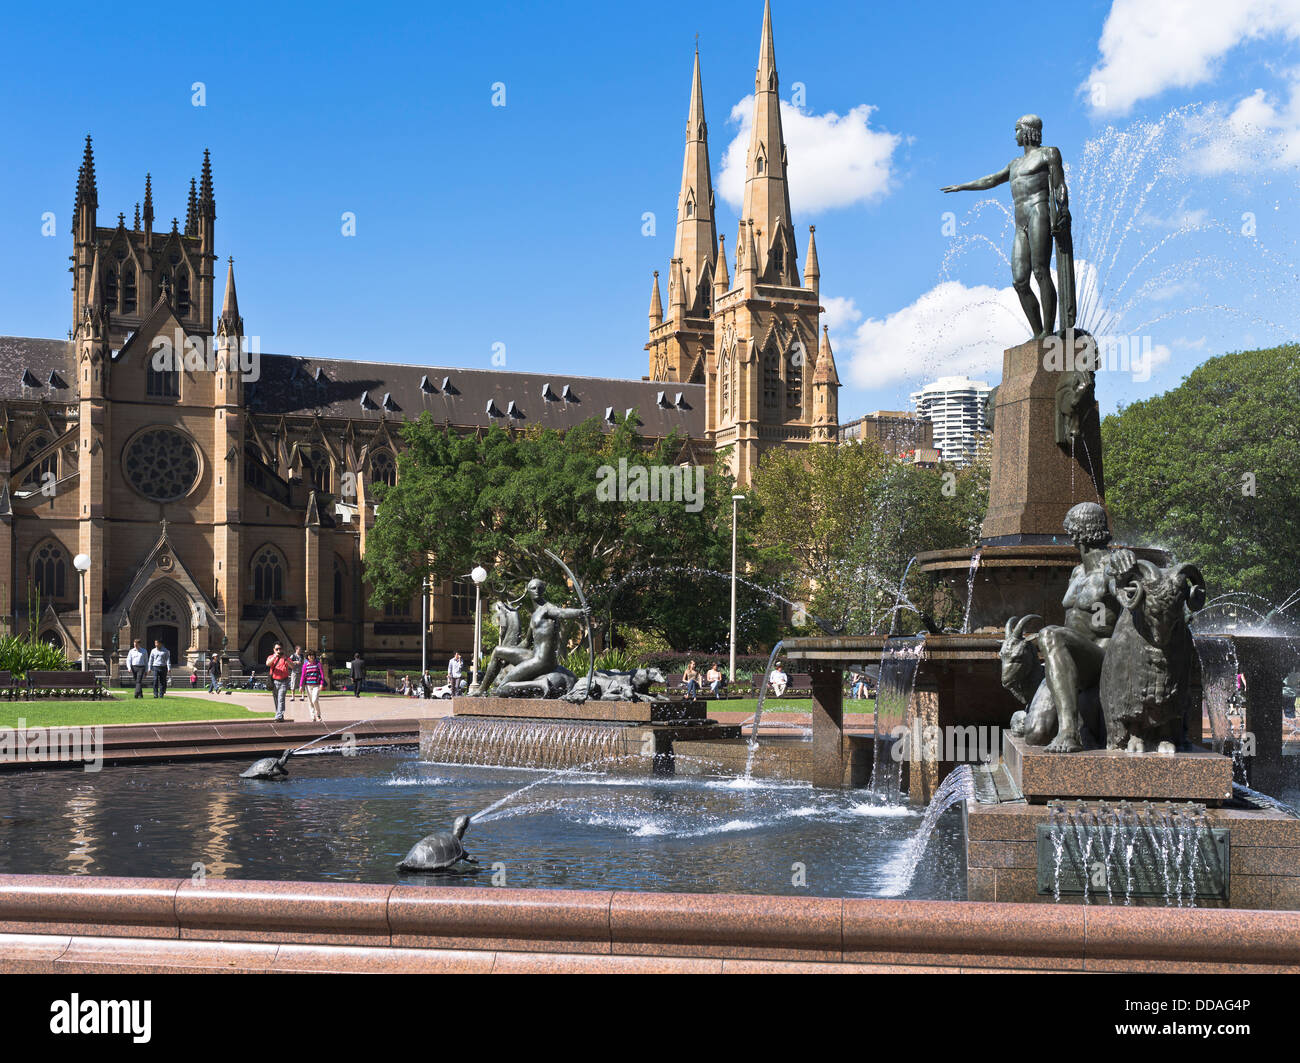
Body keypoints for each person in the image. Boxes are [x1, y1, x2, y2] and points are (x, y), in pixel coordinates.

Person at [266, 643, 292, 721]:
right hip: (274, 681)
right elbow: (268, 664)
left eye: (280, 649)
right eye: (277, 649)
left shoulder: (286, 657)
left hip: (284, 681)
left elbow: (292, 666)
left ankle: (279, 716)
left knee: (281, 698)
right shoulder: (271, 657)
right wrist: (275, 656)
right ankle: (280, 714)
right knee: (276, 699)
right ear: (274, 650)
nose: (278, 650)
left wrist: (286, 659)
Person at [300, 650, 325, 723]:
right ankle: (312, 716)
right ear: (307, 656)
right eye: (309, 655)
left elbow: (322, 674)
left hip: (316, 685)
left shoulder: (318, 664)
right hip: (308, 685)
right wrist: (301, 685)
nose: (311, 656)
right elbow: (303, 676)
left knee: (314, 700)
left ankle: (318, 715)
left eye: (312, 655)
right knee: (310, 702)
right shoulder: (305, 665)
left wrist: (321, 683)